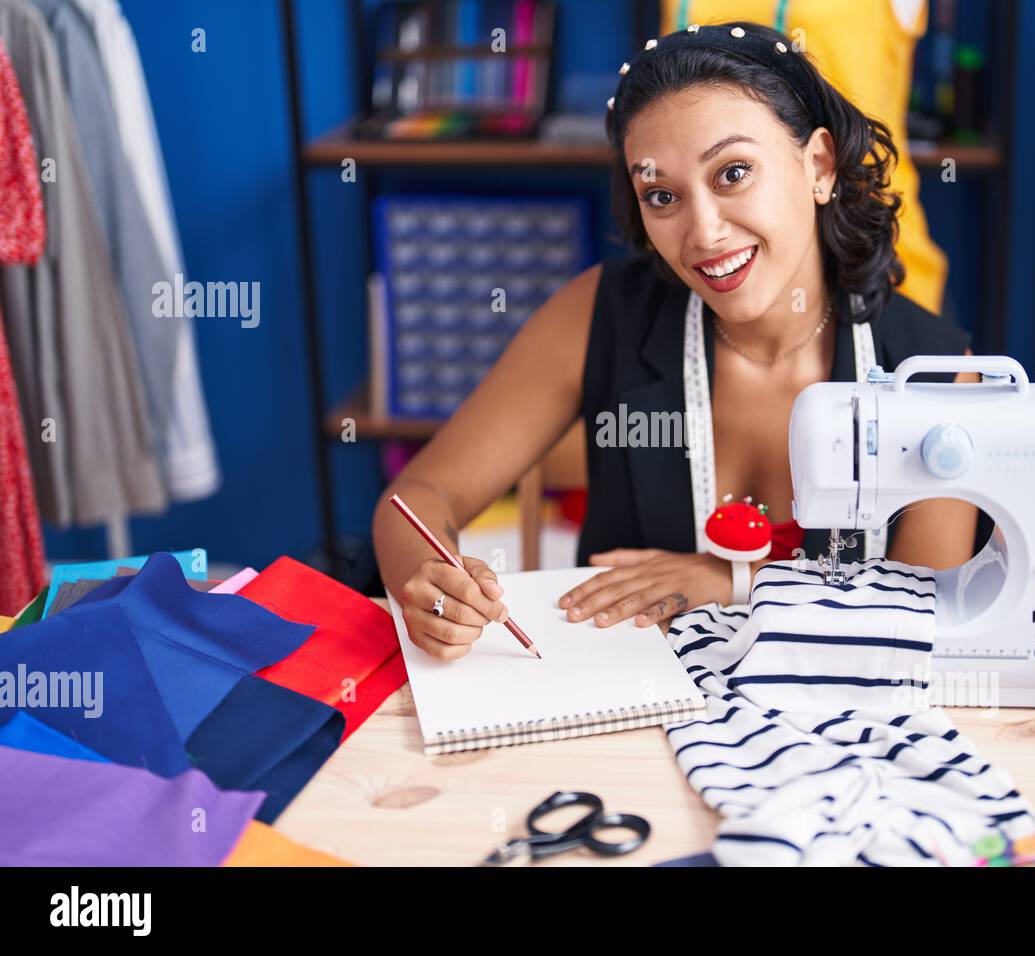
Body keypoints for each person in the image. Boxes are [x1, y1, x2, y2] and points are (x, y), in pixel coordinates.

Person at [374, 22, 978, 662]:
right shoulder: (595, 316)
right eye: (662, 196)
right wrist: (434, 585)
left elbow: (926, 620)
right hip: (620, 722)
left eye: (733, 173)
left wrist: (737, 582)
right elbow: (414, 500)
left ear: (819, 165)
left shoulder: (935, 373)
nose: (703, 232)